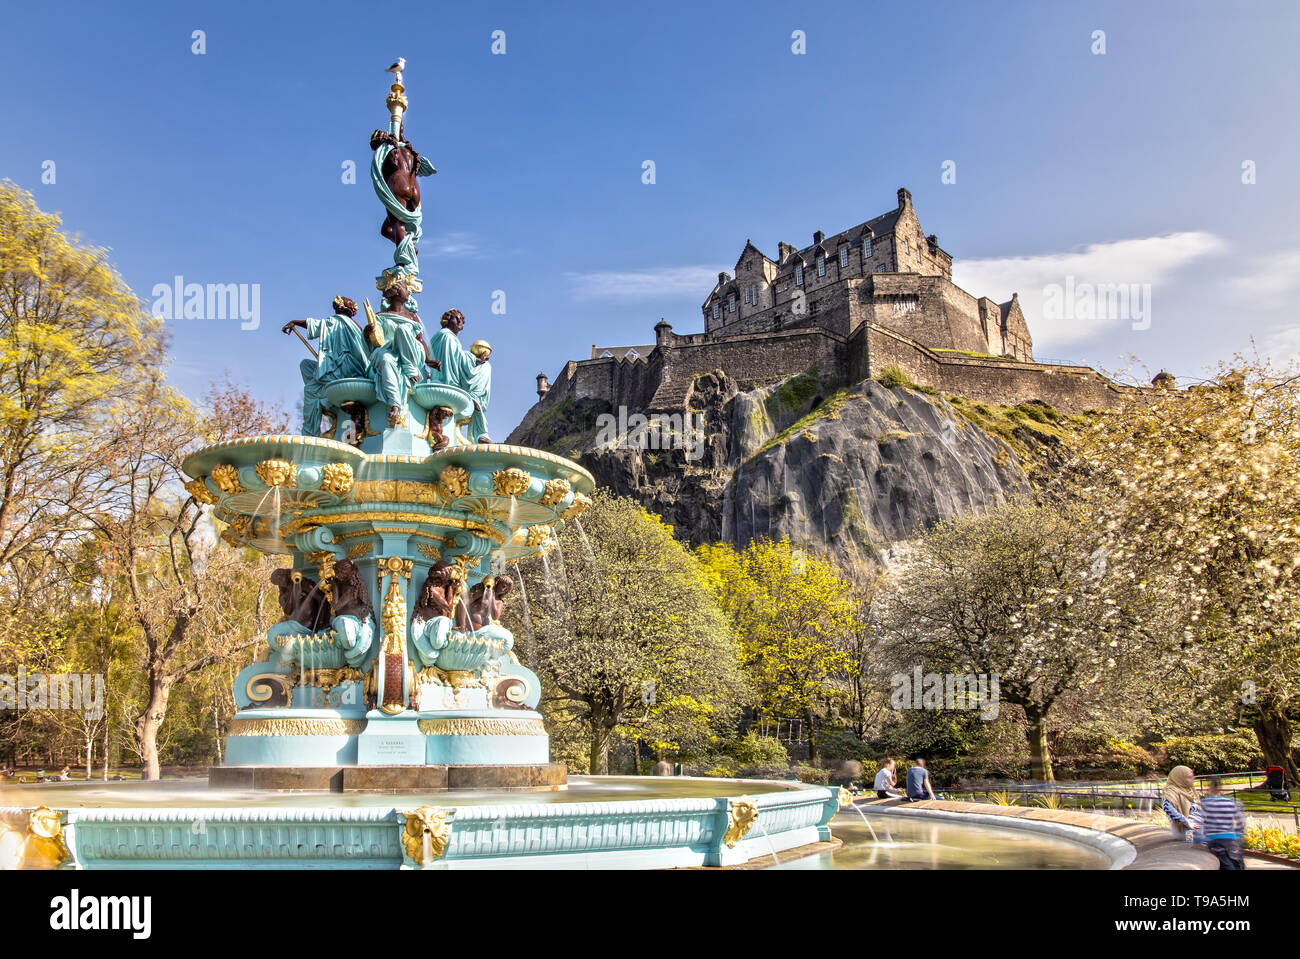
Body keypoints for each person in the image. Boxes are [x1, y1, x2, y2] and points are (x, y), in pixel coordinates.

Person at [281, 296, 371, 436]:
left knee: (311, 390)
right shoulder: (354, 326)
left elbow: (314, 325)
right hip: (349, 368)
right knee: (306, 365)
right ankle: (323, 395)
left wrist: (294, 322)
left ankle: (310, 434)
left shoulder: (335, 321)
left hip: (342, 369)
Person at [1195, 779, 1246, 869]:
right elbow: (1239, 821)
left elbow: (1199, 823)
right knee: (1237, 864)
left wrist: (1197, 838)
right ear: (1221, 787)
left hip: (1215, 840)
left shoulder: (1206, 803)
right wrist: (1239, 835)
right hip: (1231, 839)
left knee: (1224, 865)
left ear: (1210, 787)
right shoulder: (1231, 802)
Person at [1161, 765, 1200, 840]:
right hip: (1186, 830)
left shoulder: (1189, 791)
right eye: (1189, 777)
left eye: (1193, 777)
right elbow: (1166, 807)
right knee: (1195, 841)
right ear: (1180, 779)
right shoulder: (1172, 792)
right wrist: (1187, 822)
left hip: (1196, 827)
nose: (1193, 779)